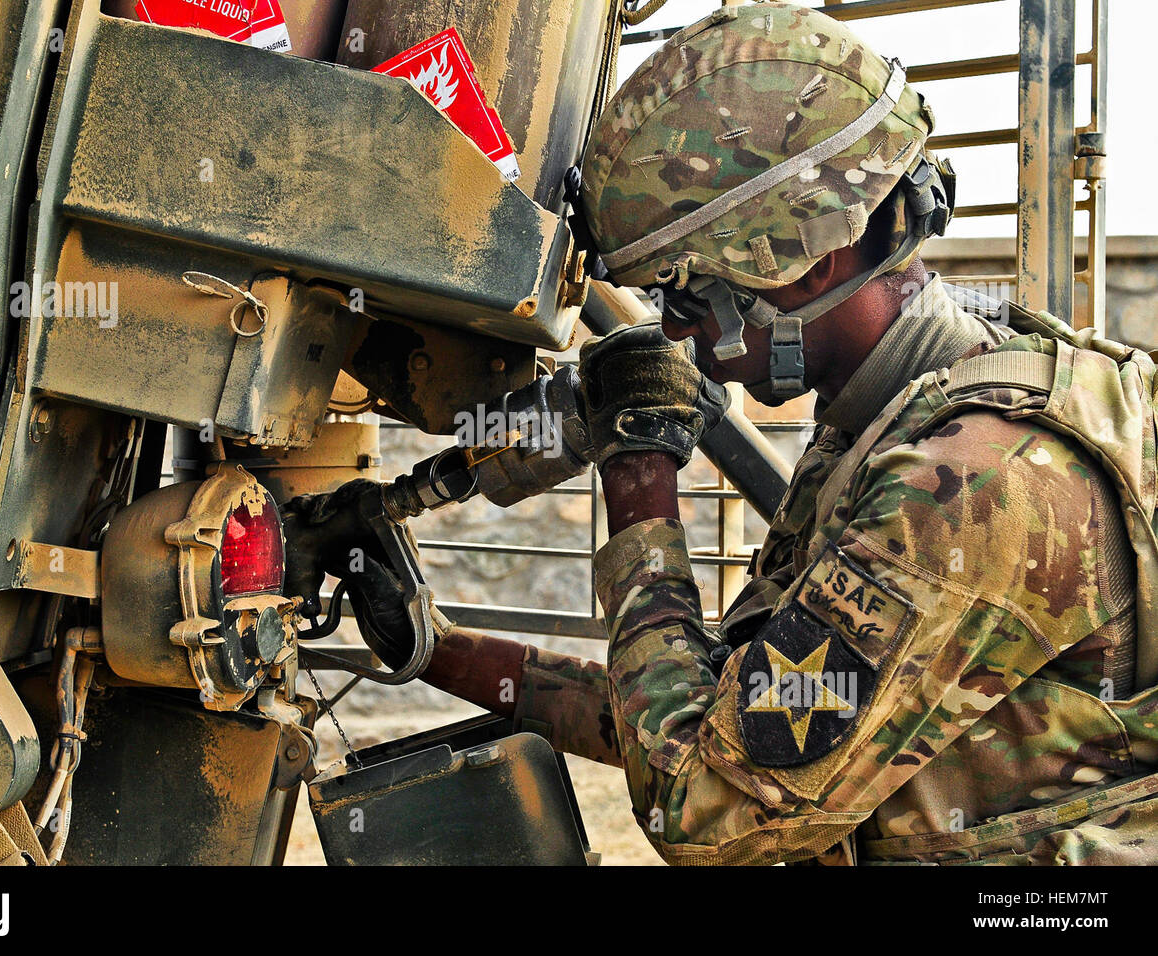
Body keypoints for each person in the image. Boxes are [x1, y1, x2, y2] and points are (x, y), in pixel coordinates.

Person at [301, 2, 1158, 864]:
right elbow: (703, 725)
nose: (673, 333)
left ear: (804, 259)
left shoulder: (971, 486)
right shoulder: (896, 414)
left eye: (683, 290)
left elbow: (708, 810)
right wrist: (433, 647)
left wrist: (642, 486)